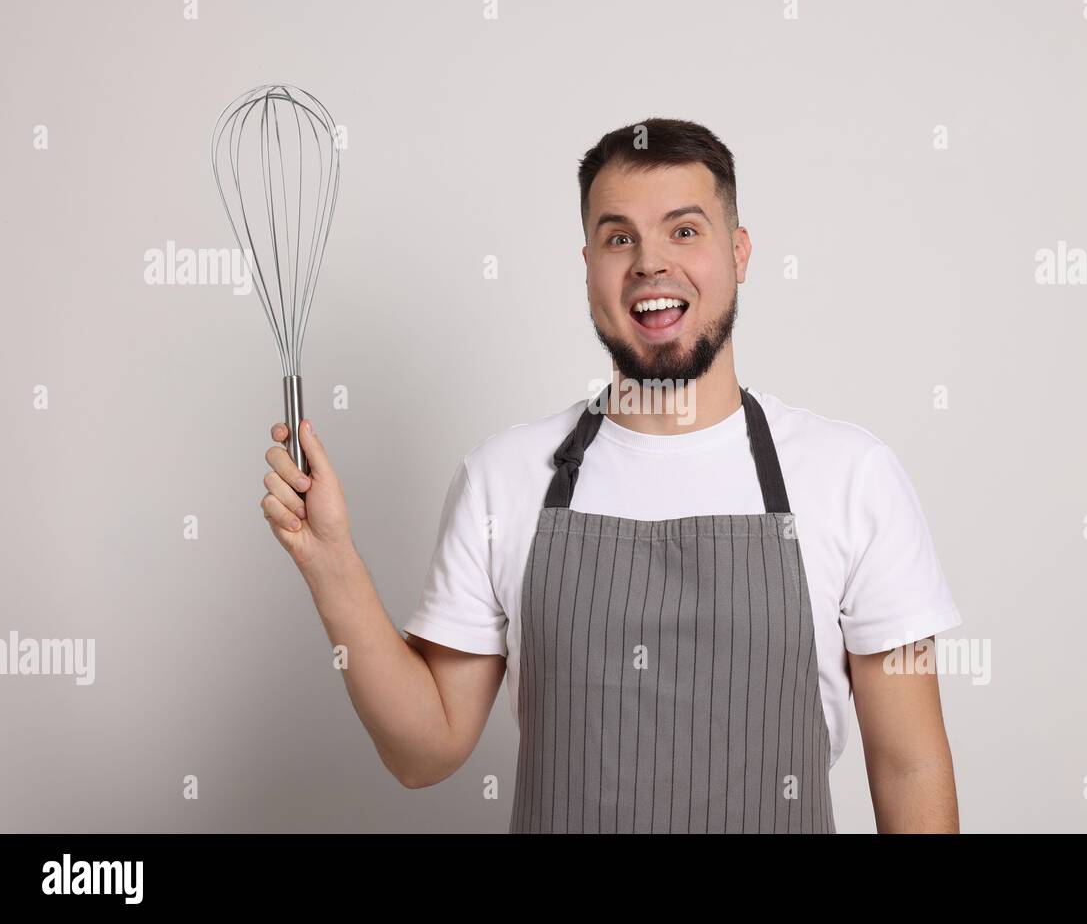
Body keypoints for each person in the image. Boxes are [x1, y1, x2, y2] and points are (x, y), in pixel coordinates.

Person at [259, 118, 964, 833]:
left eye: (684, 230)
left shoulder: (854, 478)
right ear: (590, 263)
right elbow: (425, 749)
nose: (650, 263)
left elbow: (910, 765)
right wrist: (332, 562)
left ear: (740, 251)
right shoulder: (502, 479)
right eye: (619, 237)